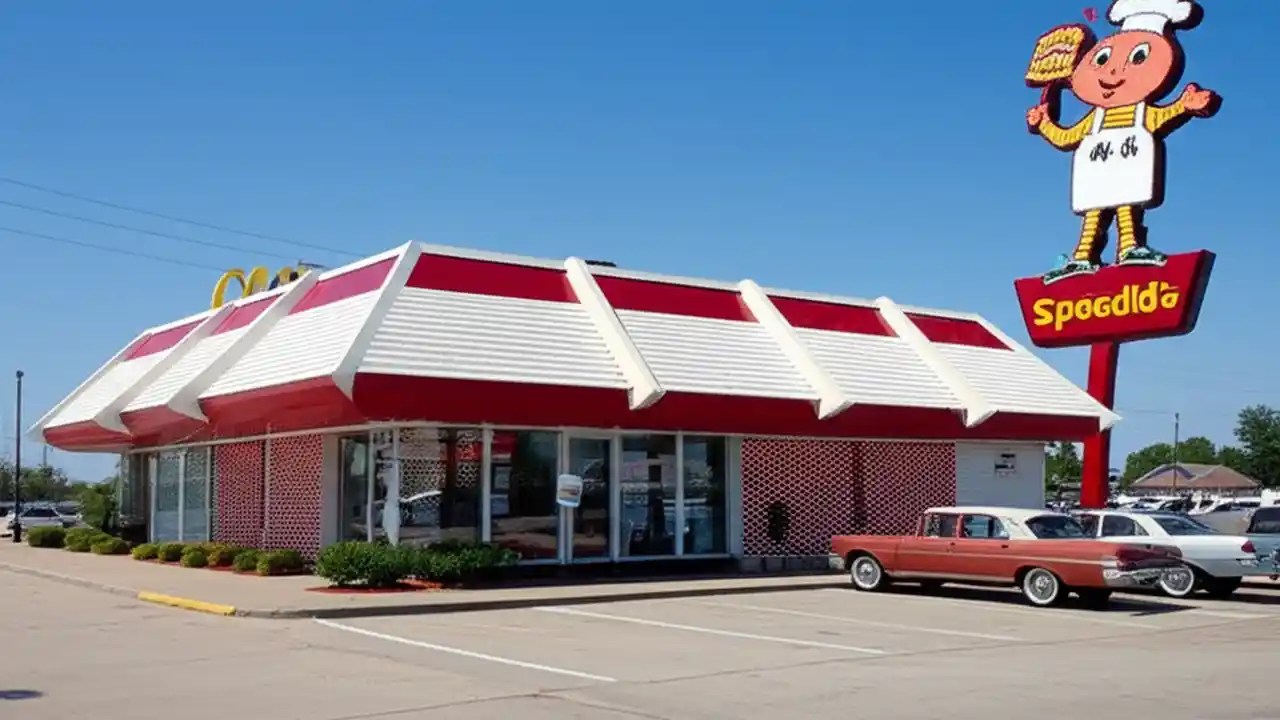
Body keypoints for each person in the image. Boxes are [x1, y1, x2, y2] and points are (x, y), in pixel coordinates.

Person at [1027, 0, 1218, 282]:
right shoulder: (1095, 119)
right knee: (1094, 214)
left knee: (1127, 205)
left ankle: (1128, 247)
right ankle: (1082, 255)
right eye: (1102, 60)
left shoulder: (1141, 113)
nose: (1113, 72)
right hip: (1094, 175)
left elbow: (1162, 117)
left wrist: (1185, 106)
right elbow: (1066, 137)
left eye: (1139, 57)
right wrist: (1044, 123)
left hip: (1129, 169)